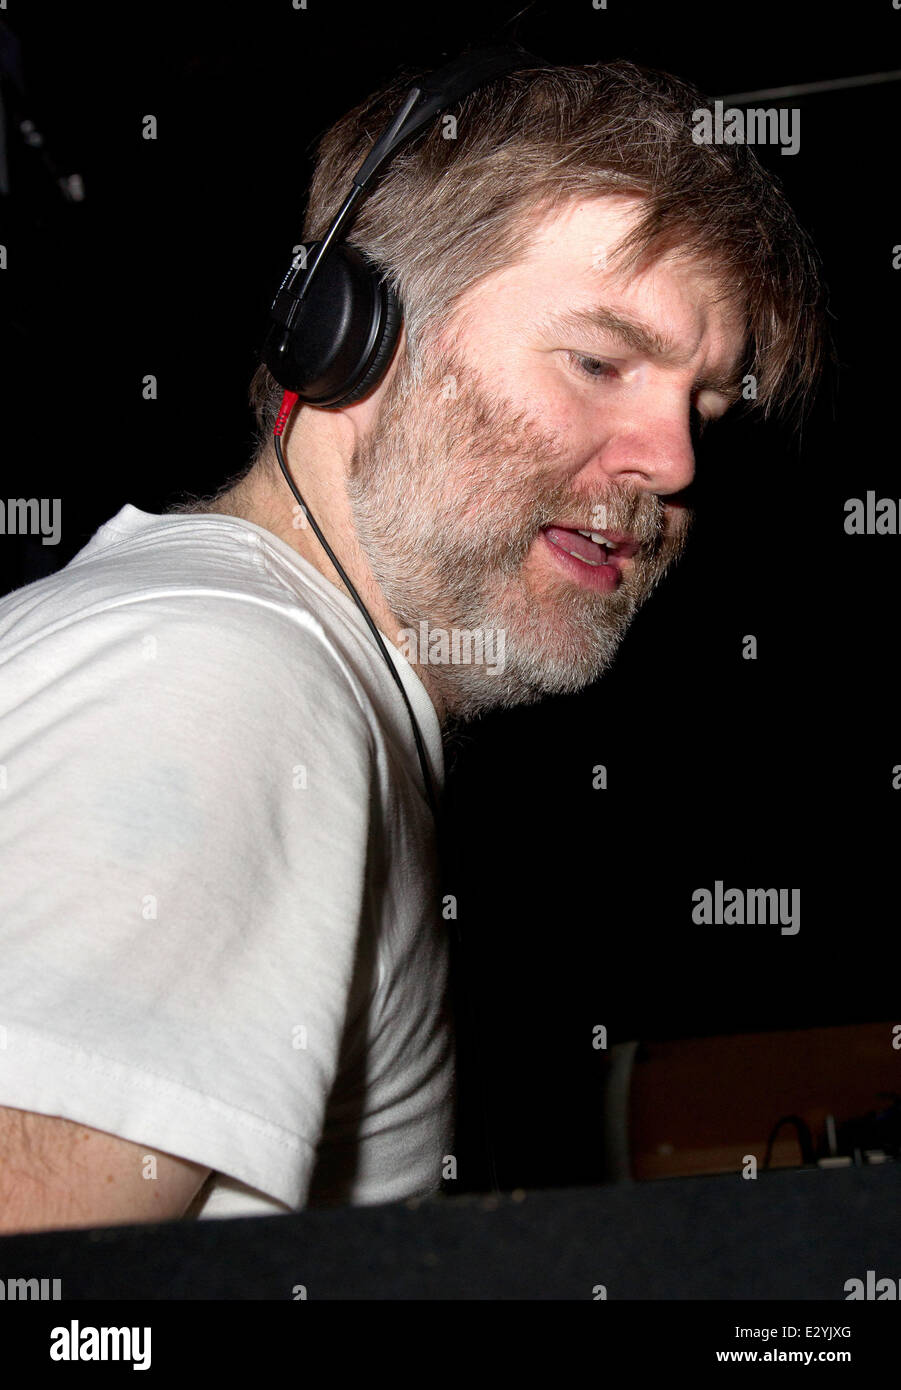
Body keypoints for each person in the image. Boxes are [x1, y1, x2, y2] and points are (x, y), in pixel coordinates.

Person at [0, 54, 826, 1233]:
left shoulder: (265, 672)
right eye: (597, 362)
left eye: (699, 408)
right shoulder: (223, 686)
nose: (676, 462)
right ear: (352, 338)